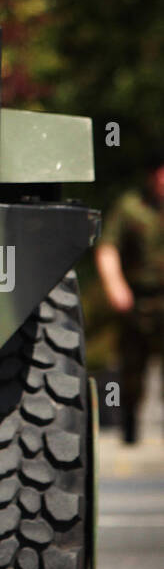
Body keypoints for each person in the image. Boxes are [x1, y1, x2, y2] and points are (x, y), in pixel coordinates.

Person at [95, 151, 164, 445]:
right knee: (132, 370)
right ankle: (130, 423)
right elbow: (108, 246)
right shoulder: (131, 207)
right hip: (139, 300)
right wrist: (115, 285)